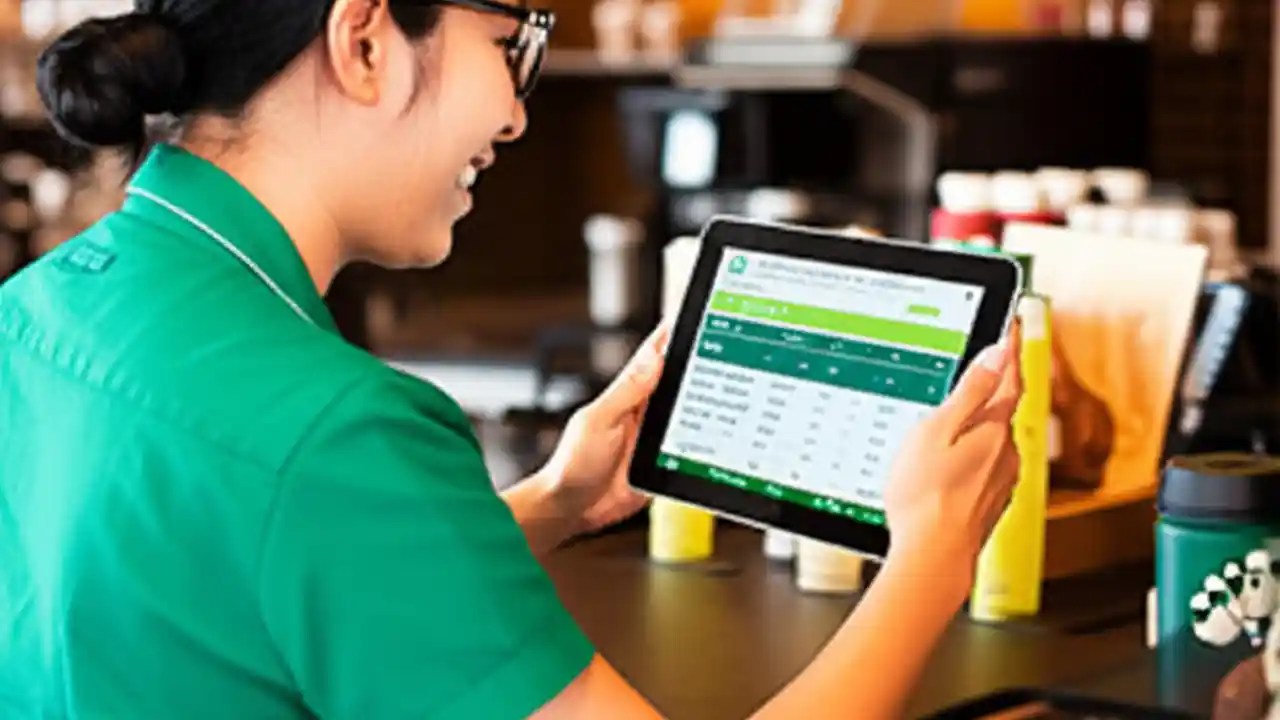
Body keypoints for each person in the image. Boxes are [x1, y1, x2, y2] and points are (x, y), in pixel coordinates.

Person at [0, 1, 1023, 718]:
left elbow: (250, 595)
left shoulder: (35, 307)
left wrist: (553, 503)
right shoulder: (339, 435)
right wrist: (932, 557)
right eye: (508, 42)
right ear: (365, 41)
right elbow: (314, 507)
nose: (517, 111)